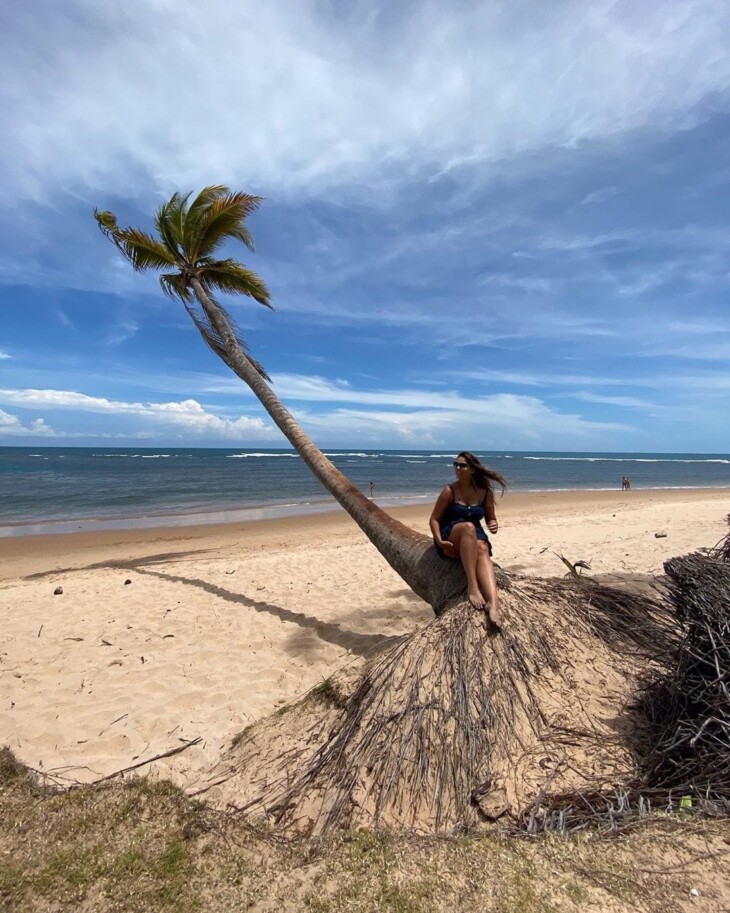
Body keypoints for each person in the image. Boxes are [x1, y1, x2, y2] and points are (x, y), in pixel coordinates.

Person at [429, 451, 506, 628]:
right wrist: (439, 540)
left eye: (462, 465)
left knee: (483, 548)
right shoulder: (450, 490)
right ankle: (473, 586)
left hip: (475, 535)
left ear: (472, 469)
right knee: (469, 527)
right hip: (451, 534)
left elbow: (490, 518)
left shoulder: (485, 492)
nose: (457, 468)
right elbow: (434, 519)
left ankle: (493, 605)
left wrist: (493, 524)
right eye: (455, 464)